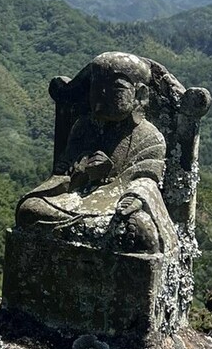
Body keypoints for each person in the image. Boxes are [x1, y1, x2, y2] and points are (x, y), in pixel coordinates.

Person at [14, 52, 178, 254]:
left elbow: (148, 181)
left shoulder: (149, 136)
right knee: (29, 210)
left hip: (116, 209)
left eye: (116, 87)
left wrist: (132, 195)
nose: (102, 94)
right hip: (73, 202)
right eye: (96, 87)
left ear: (140, 95)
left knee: (141, 231)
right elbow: (62, 174)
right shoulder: (84, 127)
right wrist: (80, 171)